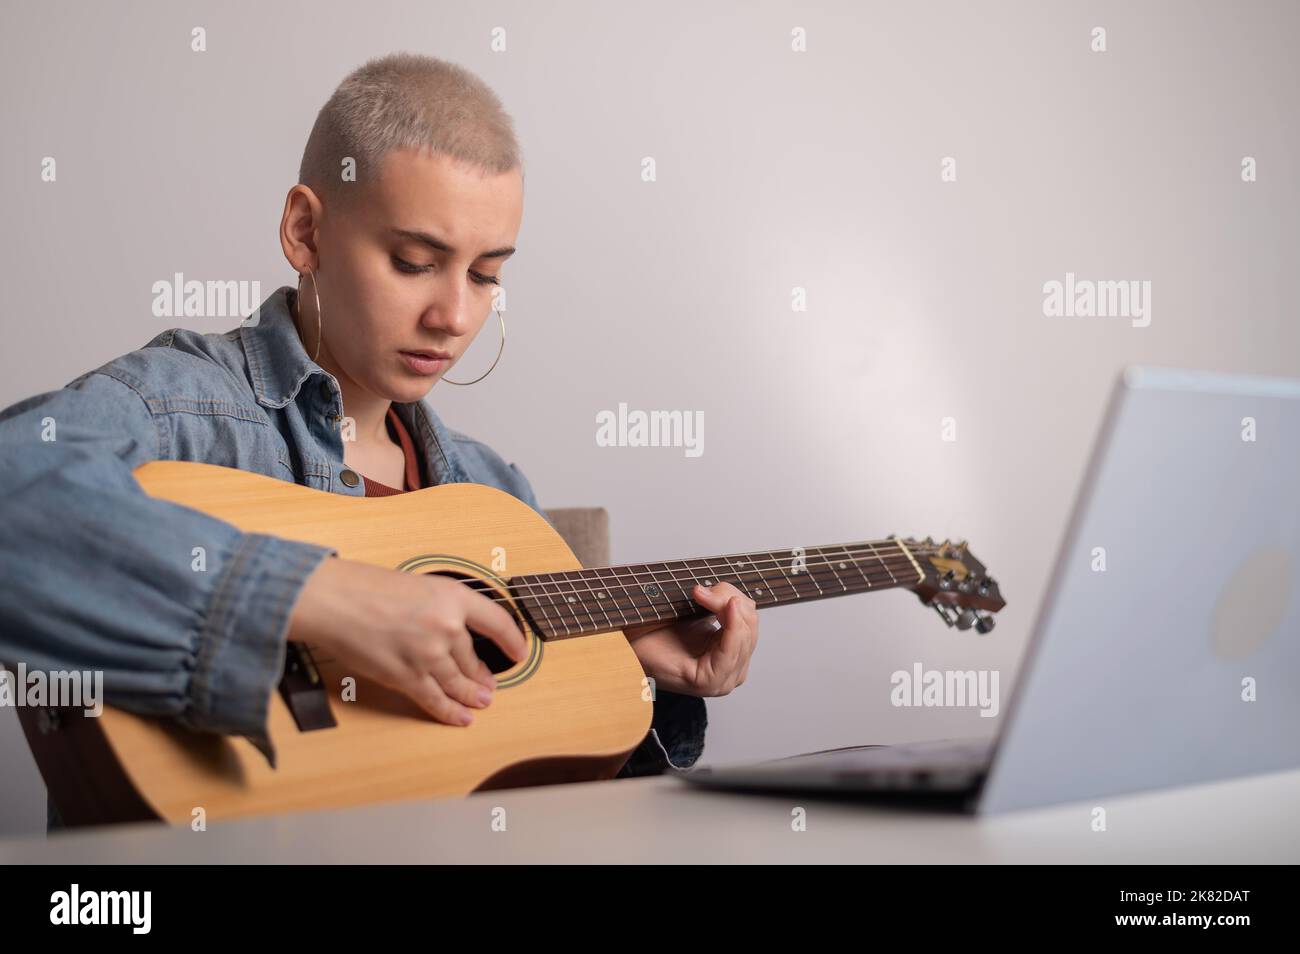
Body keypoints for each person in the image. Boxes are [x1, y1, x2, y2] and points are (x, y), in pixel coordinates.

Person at [0, 52, 759, 828]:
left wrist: (628, 671)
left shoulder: (494, 495)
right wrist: (321, 597)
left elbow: (538, 797)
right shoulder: (182, 411)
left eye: (486, 275)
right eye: (415, 262)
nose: (455, 316)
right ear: (306, 231)